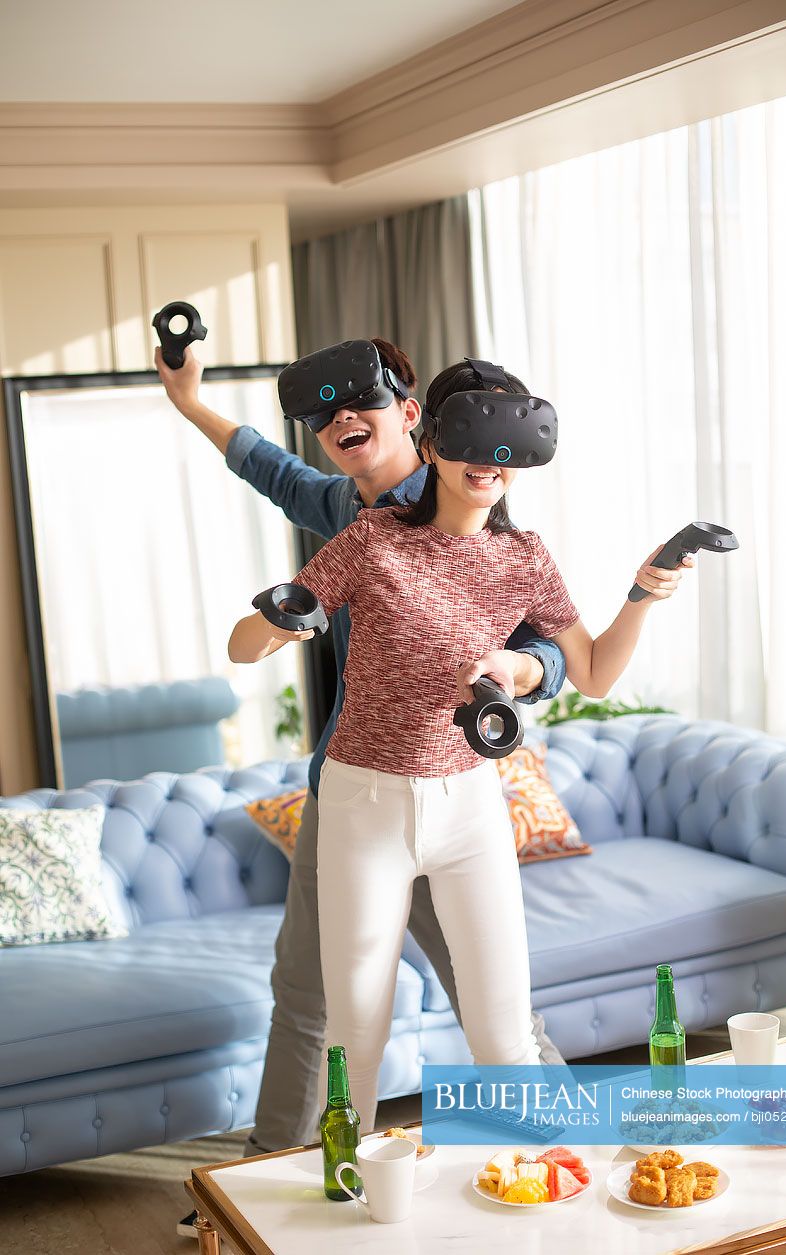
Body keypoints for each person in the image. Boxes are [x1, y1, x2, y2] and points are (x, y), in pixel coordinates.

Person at [229, 357, 692, 1135]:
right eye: (475, 432)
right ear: (433, 438)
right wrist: (287, 614)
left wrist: (641, 596)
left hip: (470, 805)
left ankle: (550, 1196)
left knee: (504, 1031)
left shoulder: (524, 558)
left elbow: (592, 671)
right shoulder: (370, 538)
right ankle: (341, 1196)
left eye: (510, 437)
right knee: (358, 1036)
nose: (491, 458)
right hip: (363, 804)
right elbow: (246, 646)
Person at [155, 339, 570, 1164]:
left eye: (364, 404)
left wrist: (524, 667)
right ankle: (279, 1171)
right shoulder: (349, 513)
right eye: (326, 412)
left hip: (449, 790)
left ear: (415, 422)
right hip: (349, 797)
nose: (344, 419)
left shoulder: (464, 492)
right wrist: (190, 402)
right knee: (310, 998)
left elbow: (552, 649)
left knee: (495, 1009)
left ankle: (564, 1143)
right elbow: (267, 468)